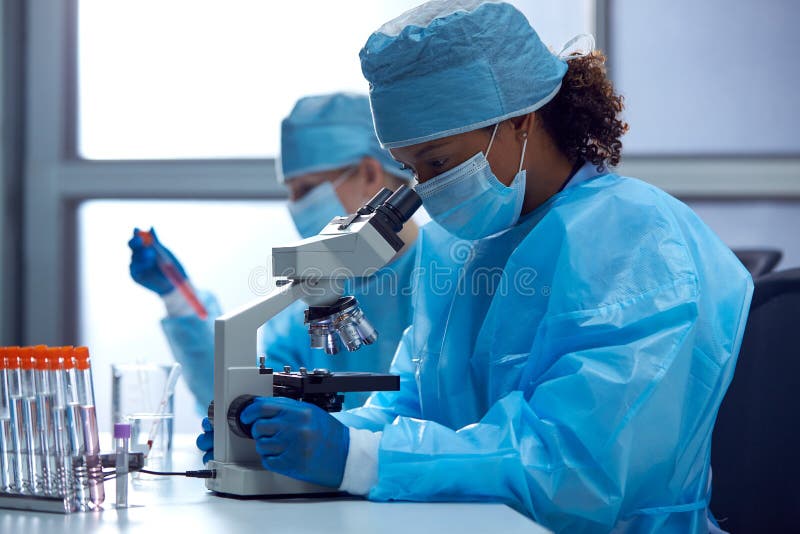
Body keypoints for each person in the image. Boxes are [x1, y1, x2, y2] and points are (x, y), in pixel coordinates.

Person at [200, 2, 752, 532]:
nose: (427, 189)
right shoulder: (457, 247)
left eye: (438, 162)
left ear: (520, 121)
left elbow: (575, 471)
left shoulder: (638, 240)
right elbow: (410, 410)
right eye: (411, 167)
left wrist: (356, 457)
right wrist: (297, 440)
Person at [129, 93, 418, 421]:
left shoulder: (453, 280)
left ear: (369, 174)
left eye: (307, 190)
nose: (295, 207)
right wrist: (177, 297)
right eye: (291, 193)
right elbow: (243, 401)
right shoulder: (309, 299)